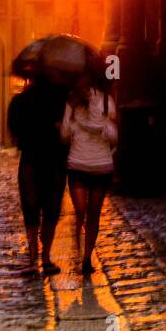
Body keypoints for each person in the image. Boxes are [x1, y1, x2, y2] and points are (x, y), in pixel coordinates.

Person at [7, 76, 69, 276]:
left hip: (30, 161)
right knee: (51, 210)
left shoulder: (19, 101)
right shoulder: (61, 100)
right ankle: (46, 257)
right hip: (55, 161)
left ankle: (33, 257)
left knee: (31, 209)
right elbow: (67, 131)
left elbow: (13, 130)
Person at [61, 73, 118, 275]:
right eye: (80, 84)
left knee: (94, 214)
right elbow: (65, 136)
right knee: (80, 211)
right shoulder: (71, 105)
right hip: (77, 164)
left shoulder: (105, 101)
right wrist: (70, 118)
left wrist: (103, 128)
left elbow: (114, 137)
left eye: (86, 83)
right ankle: (79, 249)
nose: (84, 88)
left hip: (101, 165)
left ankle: (86, 258)